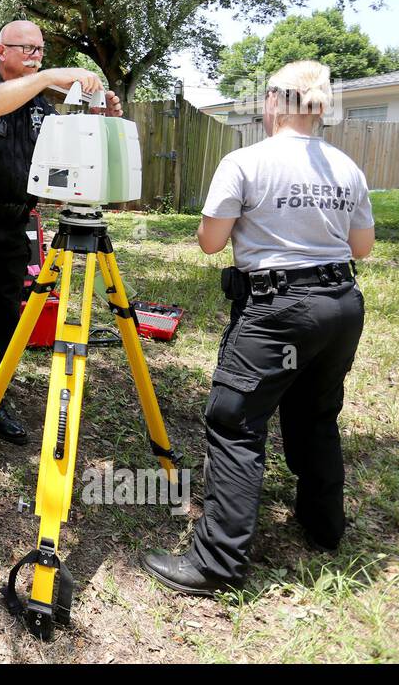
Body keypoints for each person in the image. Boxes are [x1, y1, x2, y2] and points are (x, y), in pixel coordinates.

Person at [142, 60, 375, 595]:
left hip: (277, 310)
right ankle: (324, 526)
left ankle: (216, 565)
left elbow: (209, 240)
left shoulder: (245, 161)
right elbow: (361, 246)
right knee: (316, 413)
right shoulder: (347, 166)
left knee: (234, 422)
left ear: (273, 100)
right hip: (340, 304)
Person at [0, 20, 121, 444]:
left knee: (3, 315)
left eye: (41, 51)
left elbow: (65, 164)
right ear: (1, 51)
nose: (36, 56)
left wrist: (102, 121)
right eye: (27, 49)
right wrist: (50, 78)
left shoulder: (43, 111)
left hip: (14, 225)